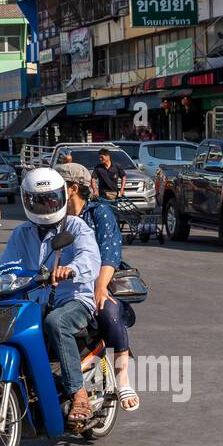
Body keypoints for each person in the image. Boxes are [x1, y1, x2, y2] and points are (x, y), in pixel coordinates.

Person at [0, 167, 101, 426]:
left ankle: (78, 393)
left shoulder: (76, 226)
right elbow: (8, 266)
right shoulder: (21, 233)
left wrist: (70, 269)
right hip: (35, 303)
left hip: (74, 301)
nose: (45, 205)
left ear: (61, 196)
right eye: (38, 200)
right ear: (27, 200)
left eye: (50, 198)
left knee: (56, 323)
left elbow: (91, 258)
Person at [56, 162, 139, 411]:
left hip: (100, 279)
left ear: (71, 188)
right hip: (62, 286)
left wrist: (100, 287)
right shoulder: (55, 216)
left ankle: (122, 378)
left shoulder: (98, 212)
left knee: (108, 311)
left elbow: (109, 253)